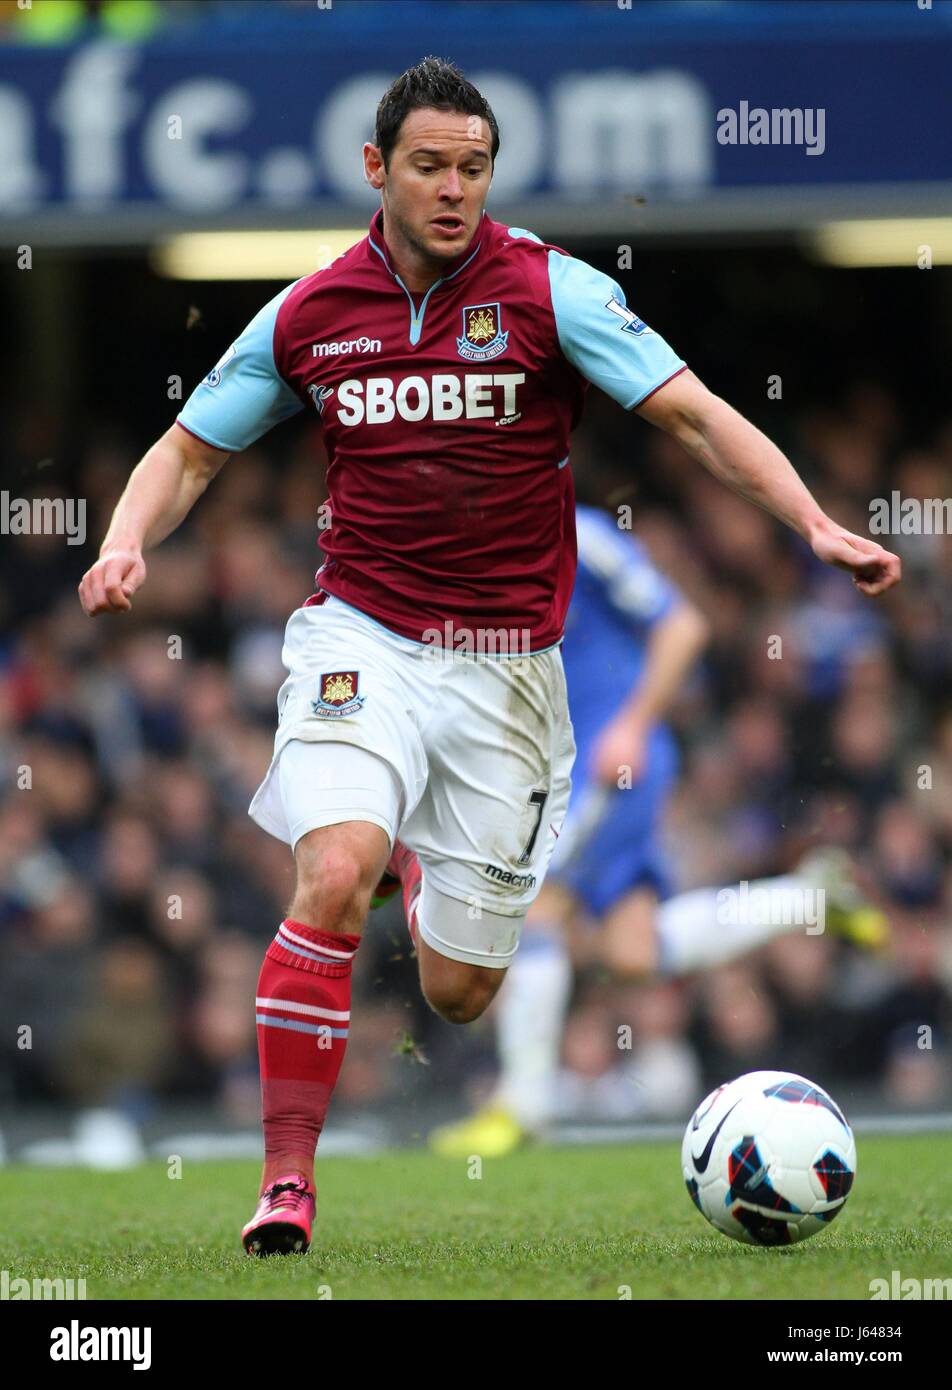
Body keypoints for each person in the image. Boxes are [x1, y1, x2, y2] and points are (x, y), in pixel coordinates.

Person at [78, 57, 900, 1256]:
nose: (453, 188)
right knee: (334, 867)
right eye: (428, 166)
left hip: (510, 678)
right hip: (358, 635)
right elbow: (187, 448)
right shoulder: (310, 311)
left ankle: (421, 858)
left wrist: (814, 522)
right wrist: (122, 540)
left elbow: (695, 411)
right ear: (376, 169)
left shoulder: (551, 293)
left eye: (473, 167)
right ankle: (287, 1183)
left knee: (463, 991)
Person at [429, 505, 887, 1158]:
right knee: (631, 953)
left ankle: (523, 1104)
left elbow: (682, 625)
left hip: (612, 761)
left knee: (536, 904)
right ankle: (812, 897)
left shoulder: (577, 533)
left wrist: (634, 723)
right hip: (558, 770)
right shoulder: (464, 557)